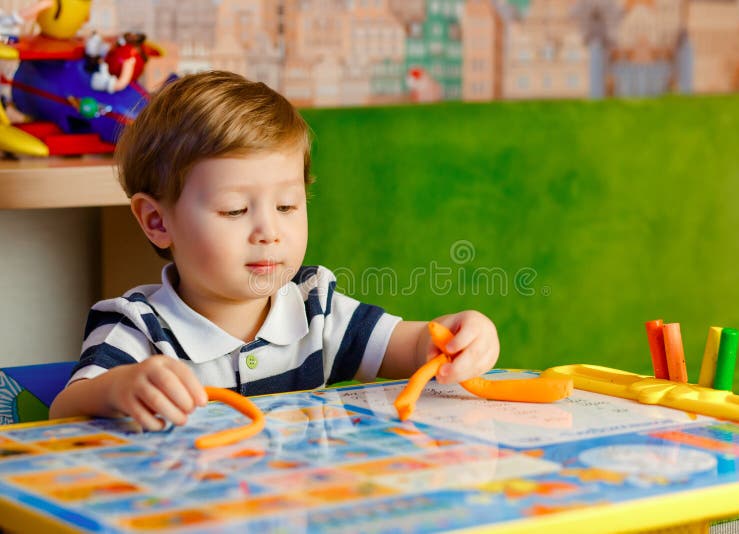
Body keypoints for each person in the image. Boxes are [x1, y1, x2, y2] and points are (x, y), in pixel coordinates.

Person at [49, 71, 499, 430]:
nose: (269, 232)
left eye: (286, 206)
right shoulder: (138, 327)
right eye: (235, 210)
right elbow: (65, 409)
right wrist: (118, 389)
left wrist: (461, 338)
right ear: (157, 221)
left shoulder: (316, 308)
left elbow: (415, 346)